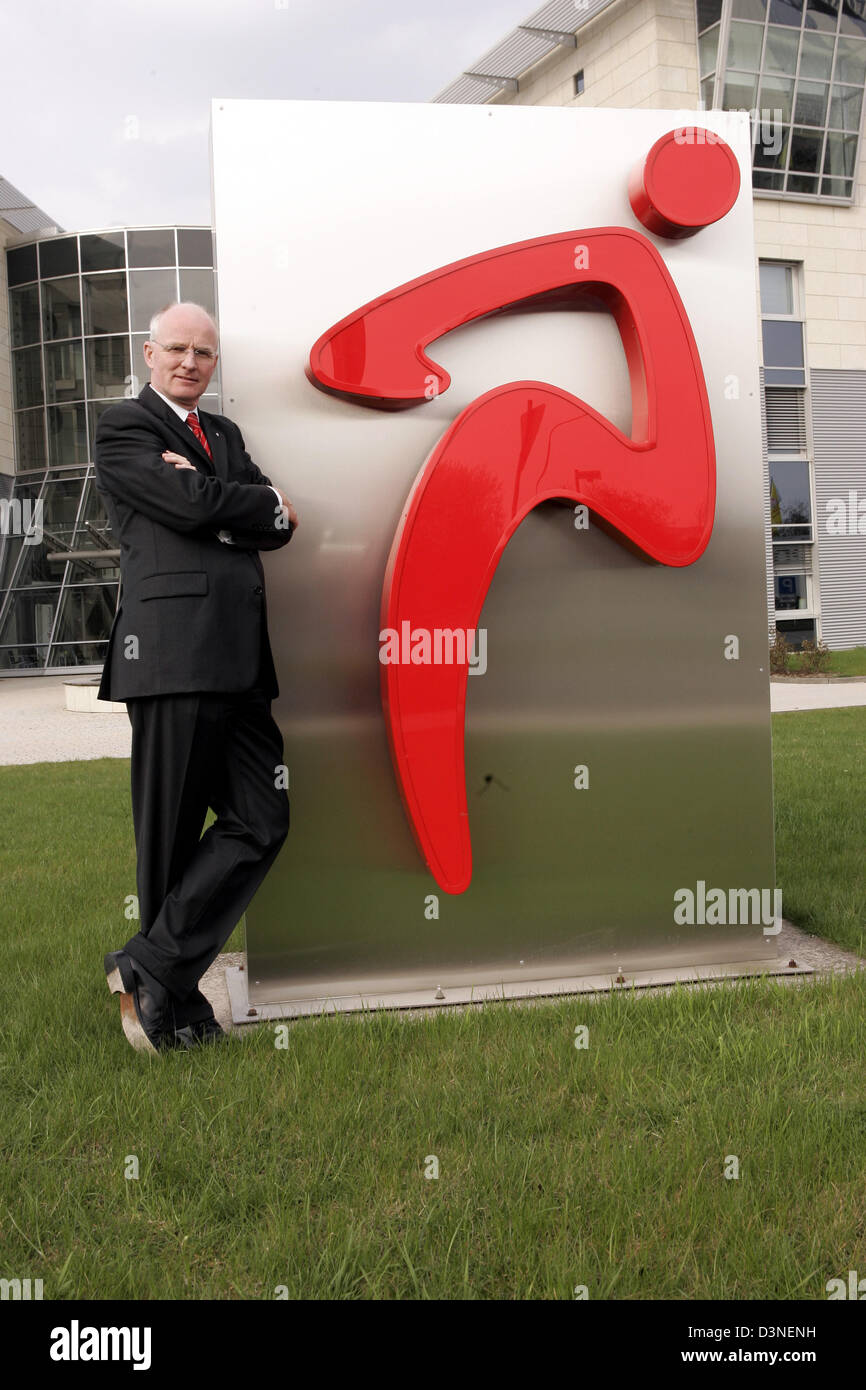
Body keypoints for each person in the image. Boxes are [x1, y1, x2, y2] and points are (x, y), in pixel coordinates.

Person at [94, 301, 298, 1053]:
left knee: (263, 818)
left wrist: (232, 505)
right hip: (172, 655)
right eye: (176, 348)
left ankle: (148, 969)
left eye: (203, 353)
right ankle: (173, 1008)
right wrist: (229, 506)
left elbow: (276, 522)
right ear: (149, 354)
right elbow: (190, 505)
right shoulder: (125, 427)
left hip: (241, 661)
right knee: (172, 838)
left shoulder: (226, 436)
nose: (189, 362)